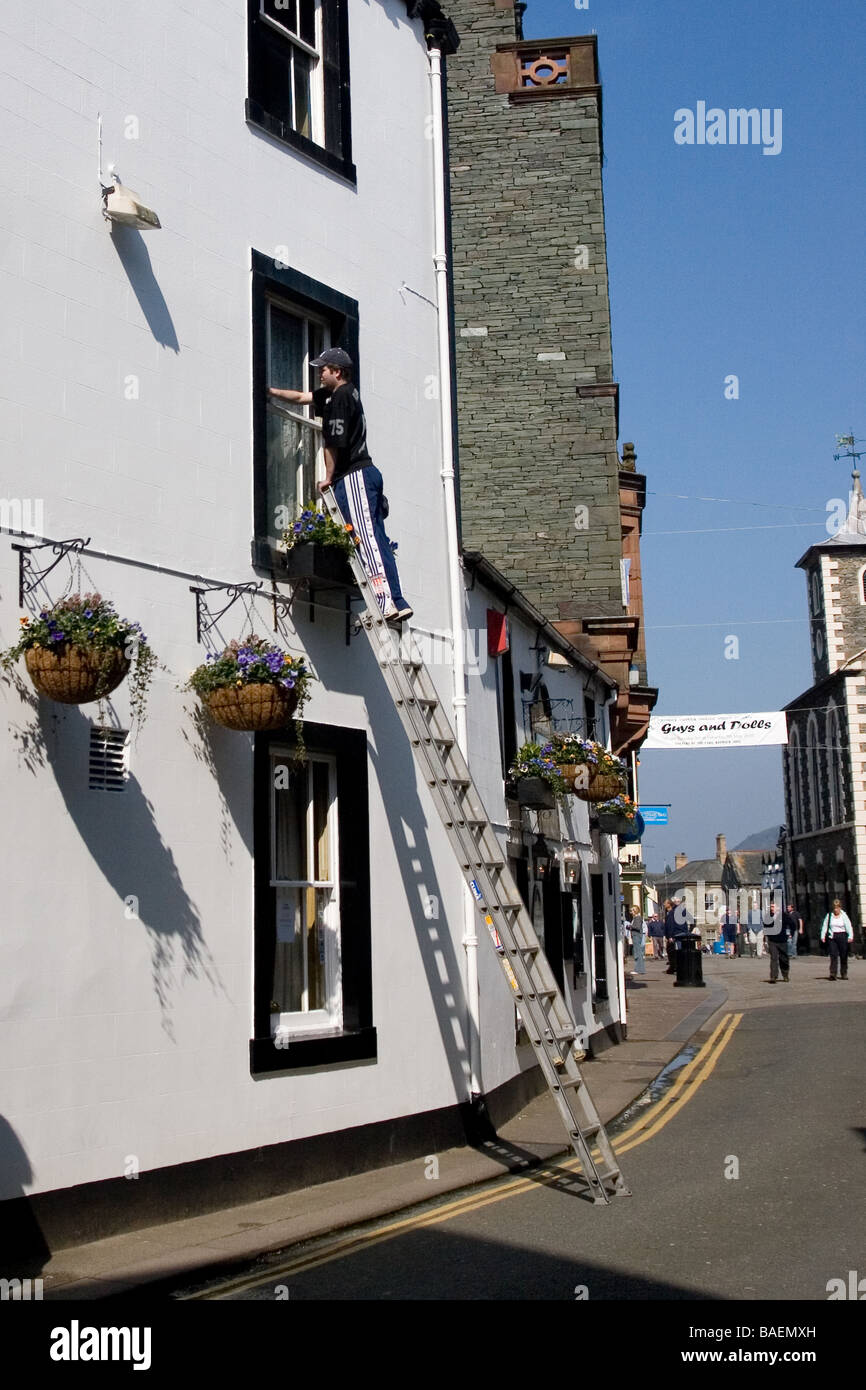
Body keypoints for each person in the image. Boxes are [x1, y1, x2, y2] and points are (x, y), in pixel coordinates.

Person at [268, 348, 413, 624]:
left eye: (323, 369)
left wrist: (329, 477)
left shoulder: (340, 399)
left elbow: (334, 442)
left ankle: (387, 601)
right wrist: (271, 391)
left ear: (337, 371)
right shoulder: (339, 395)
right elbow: (301, 398)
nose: (319, 372)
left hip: (354, 475)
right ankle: (394, 598)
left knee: (366, 539)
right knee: (375, 537)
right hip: (364, 474)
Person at [820, 899, 854, 980]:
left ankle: (844, 973)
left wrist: (850, 936)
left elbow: (849, 926)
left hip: (842, 935)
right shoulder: (829, 915)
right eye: (834, 908)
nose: (836, 910)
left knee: (843, 955)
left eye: (837, 908)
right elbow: (825, 926)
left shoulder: (844, 915)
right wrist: (823, 936)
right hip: (833, 936)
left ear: (840, 908)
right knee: (833, 955)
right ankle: (833, 973)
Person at [764, 902, 790, 983]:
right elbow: (765, 926)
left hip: (782, 940)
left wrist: (789, 933)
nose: (771, 908)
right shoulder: (768, 916)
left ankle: (785, 974)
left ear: (778, 908)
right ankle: (773, 977)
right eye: (771, 907)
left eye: (773, 907)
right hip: (772, 940)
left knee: (783, 958)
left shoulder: (784, 916)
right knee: (773, 958)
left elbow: (791, 924)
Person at [628, 906, 646, 977]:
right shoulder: (637, 918)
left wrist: (630, 927)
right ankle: (639, 969)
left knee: (637, 952)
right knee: (637, 952)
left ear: (635, 911)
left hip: (636, 936)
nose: (631, 912)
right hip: (636, 936)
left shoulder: (637, 918)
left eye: (632, 911)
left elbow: (638, 927)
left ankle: (639, 969)